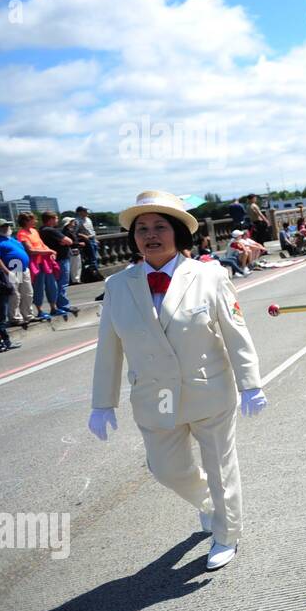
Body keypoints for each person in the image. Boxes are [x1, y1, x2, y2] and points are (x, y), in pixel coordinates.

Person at [89, 190, 267, 571]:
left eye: (160, 226)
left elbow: (236, 331)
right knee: (166, 470)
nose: (150, 235)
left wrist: (250, 382)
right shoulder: (118, 287)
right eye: (142, 229)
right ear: (132, 238)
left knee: (221, 467)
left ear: (178, 233)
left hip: (209, 391)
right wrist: (102, 403)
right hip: (155, 399)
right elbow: (108, 348)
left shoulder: (210, 276)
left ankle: (226, 533)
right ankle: (209, 502)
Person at [16, 212, 64, 320]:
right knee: (39, 287)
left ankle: (53, 307)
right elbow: (30, 250)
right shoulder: (22, 234)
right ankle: (40, 310)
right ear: (27, 221)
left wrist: (49, 251)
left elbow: (41, 244)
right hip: (35, 263)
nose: (36, 221)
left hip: (44, 262)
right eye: (33, 219)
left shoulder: (34, 231)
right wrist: (49, 251)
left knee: (52, 285)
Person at [0, 219, 33, 325]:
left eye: (7, 225)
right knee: (15, 295)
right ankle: (15, 318)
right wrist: (7, 271)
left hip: (21, 268)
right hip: (12, 269)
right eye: (3, 226)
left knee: (27, 293)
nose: (6, 228)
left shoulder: (12, 239)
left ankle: (28, 315)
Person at [39, 212, 79, 317]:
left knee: (55, 284)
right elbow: (69, 241)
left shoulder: (41, 230)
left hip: (52, 260)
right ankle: (63, 305)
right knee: (62, 282)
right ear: (50, 219)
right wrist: (63, 242)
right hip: (60, 259)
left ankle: (57, 305)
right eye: (56, 218)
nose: (57, 220)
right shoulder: (50, 230)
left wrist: (63, 242)